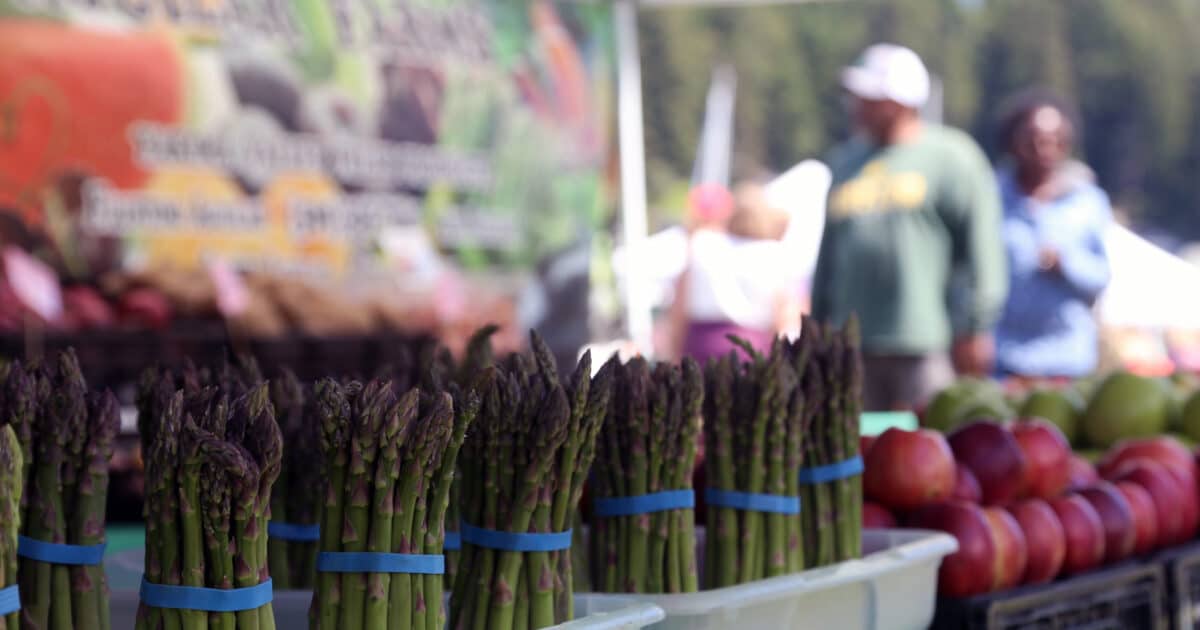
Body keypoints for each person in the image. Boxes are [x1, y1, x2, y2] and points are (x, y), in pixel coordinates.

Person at [812, 44, 1008, 411]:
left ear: (899, 101)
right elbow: (828, 255)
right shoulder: (844, 161)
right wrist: (818, 329)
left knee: (931, 449)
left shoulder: (951, 157)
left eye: (868, 97)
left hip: (925, 344)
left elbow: (983, 248)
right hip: (850, 348)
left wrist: (976, 326)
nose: (856, 105)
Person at [993, 91, 1112, 379]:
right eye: (1033, 139)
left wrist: (1067, 264)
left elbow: (1101, 276)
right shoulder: (989, 198)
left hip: (1068, 360)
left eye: (1054, 139)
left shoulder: (1087, 202)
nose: (1043, 148)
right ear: (1013, 141)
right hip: (1005, 359)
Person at [668, 182, 801, 363]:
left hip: (701, 348)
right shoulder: (773, 256)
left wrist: (674, 356)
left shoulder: (703, 245)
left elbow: (678, 310)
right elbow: (784, 317)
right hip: (753, 351)